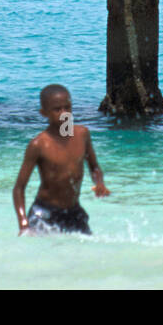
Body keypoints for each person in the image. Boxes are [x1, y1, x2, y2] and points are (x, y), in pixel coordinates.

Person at [13, 84, 109, 235]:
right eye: (57, 109)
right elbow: (19, 188)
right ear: (44, 113)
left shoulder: (82, 135)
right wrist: (23, 223)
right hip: (44, 213)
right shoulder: (38, 144)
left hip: (73, 211)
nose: (64, 114)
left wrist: (99, 183)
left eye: (67, 108)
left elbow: (94, 167)